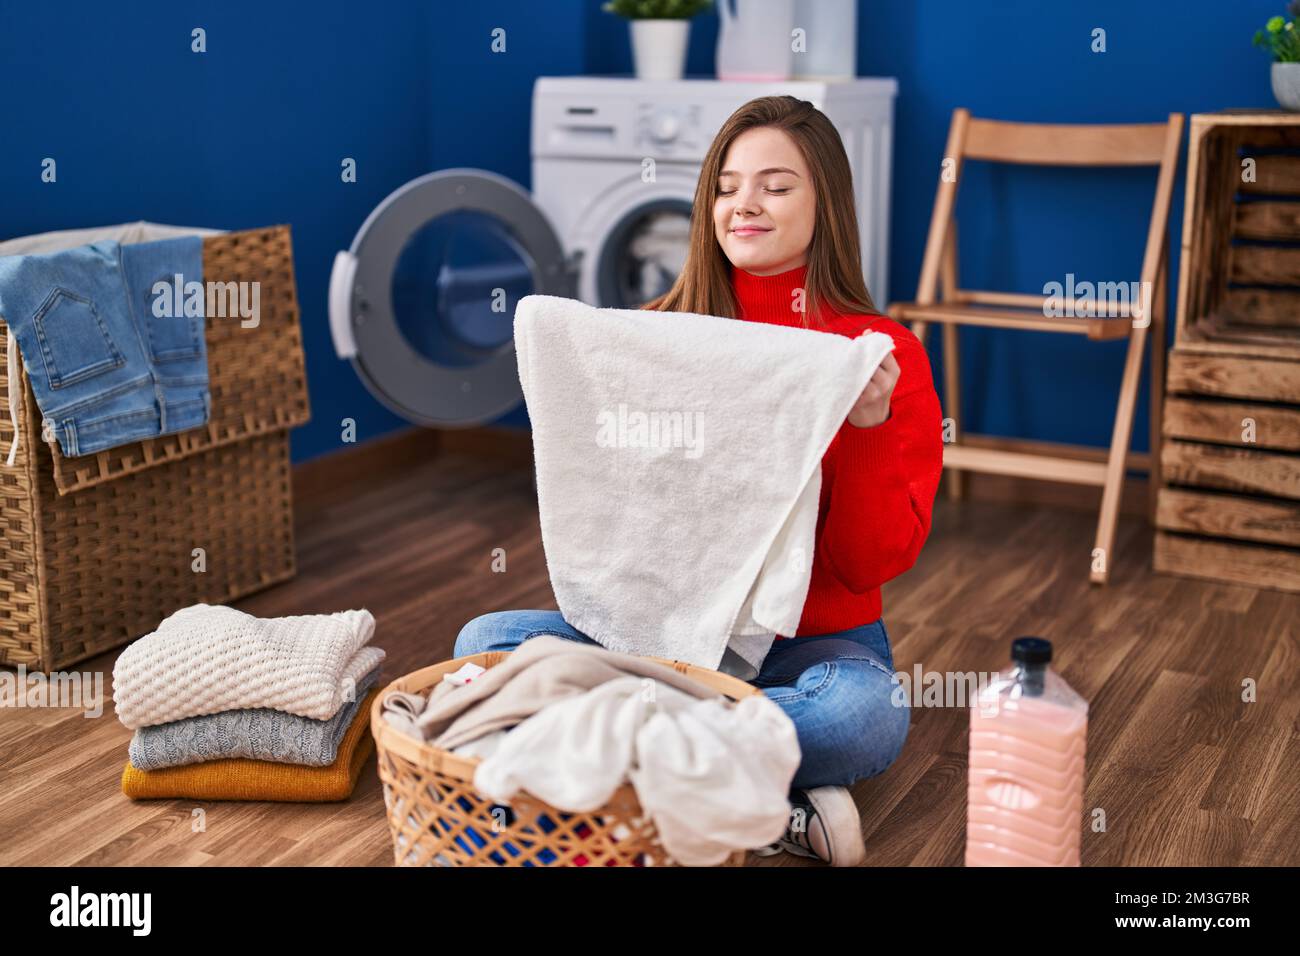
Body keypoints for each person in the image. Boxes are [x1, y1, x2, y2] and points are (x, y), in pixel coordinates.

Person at [455, 95, 943, 866]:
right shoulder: (658, 333)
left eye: (776, 186)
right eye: (726, 185)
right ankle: (753, 791)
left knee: (866, 715)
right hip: (665, 637)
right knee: (482, 645)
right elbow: (627, 519)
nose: (744, 204)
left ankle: (606, 755)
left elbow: (867, 564)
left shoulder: (878, 353)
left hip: (814, 647)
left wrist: (867, 430)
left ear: (827, 206)